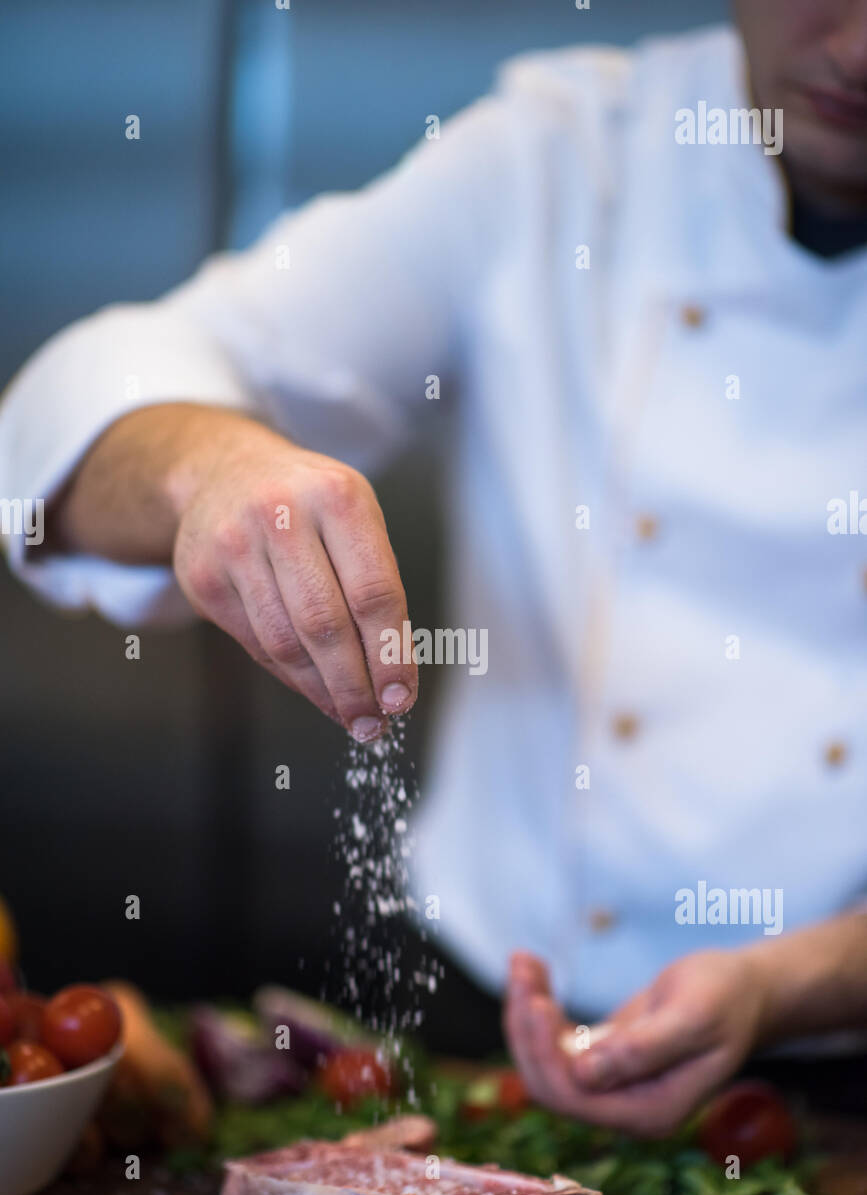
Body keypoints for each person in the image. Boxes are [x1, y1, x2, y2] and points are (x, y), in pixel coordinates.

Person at [2, 5, 866, 1136]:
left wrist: (789, 981)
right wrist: (208, 467)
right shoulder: (566, 156)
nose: (859, 50)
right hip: (483, 1018)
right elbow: (60, 419)